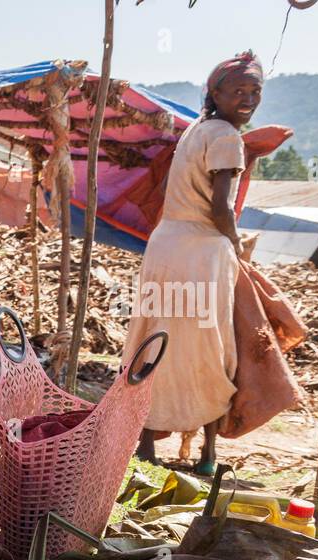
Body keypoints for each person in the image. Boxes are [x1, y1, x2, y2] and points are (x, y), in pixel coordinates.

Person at [127, 51, 263, 476]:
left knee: (154, 341)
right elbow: (223, 208)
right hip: (202, 253)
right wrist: (237, 243)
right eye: (237, 90)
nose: (247, 97)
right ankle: (206, 454)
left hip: (165, 247)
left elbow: (168, 188)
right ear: (214, 93)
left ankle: (146, 444)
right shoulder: (226, 137)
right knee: (208, 349)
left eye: (254, 90)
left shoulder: (195, 132)